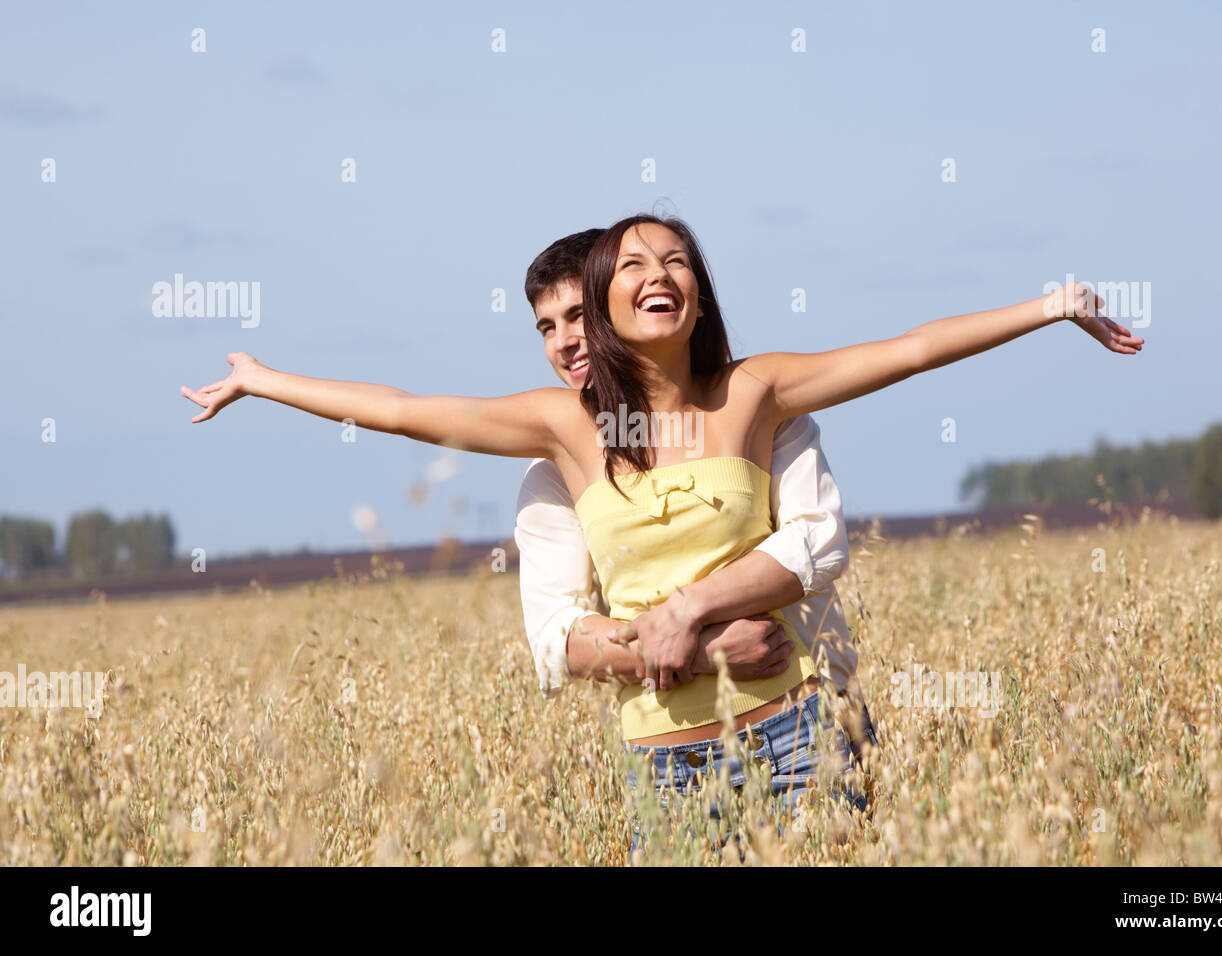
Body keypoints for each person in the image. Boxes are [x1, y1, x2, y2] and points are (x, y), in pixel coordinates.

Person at [180, 213, 1142, 853]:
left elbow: (912, 348)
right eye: (632, 265)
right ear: (602, 305)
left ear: (699, 291)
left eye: (676, 260)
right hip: (664, 764)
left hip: (801, 733)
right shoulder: (562, 434)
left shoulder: (757, 393)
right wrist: (266, 380)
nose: (659, 275)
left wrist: (1052, 307)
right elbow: (402, 410)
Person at [513, 230, 876, 847]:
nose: (565, 342)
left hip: (809, 718)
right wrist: (703, 651)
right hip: (666, 760)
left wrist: (688, 610)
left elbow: (815, 543)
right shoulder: (554, 466)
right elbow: (558, 638)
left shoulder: (751, 409)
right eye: (547, 327)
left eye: (578, 316)